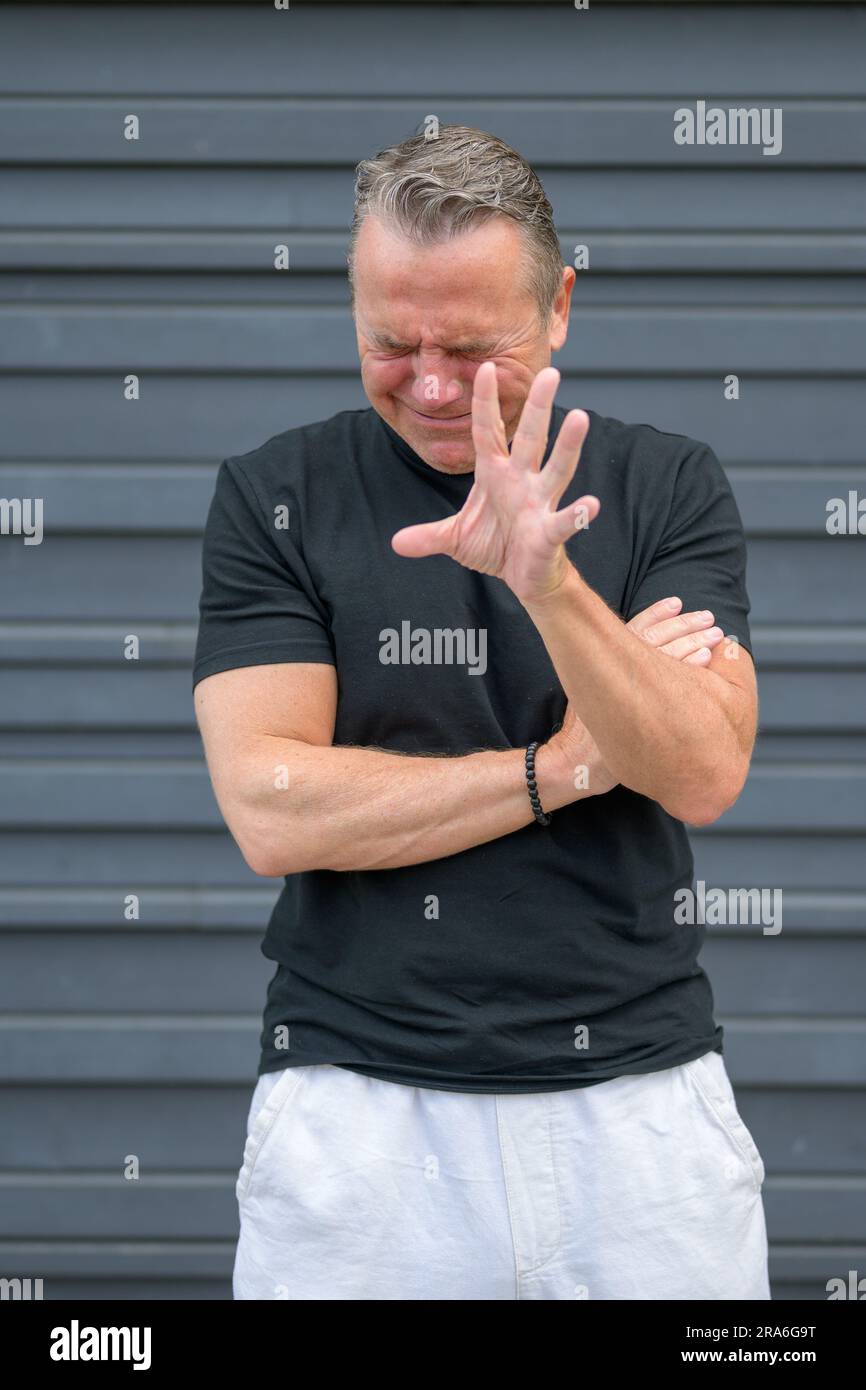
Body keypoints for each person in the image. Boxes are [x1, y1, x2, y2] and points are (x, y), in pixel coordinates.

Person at [193, 125, 769, 1300]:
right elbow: (272, 807)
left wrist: (549, 584)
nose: (435, 382)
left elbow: (701, 768)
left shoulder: (666, 485)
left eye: (472, 345)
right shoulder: (275, 498)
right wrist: (561, 766)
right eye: (388, 341)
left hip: (638, 1119)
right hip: (359, 1123)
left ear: (558, 305)